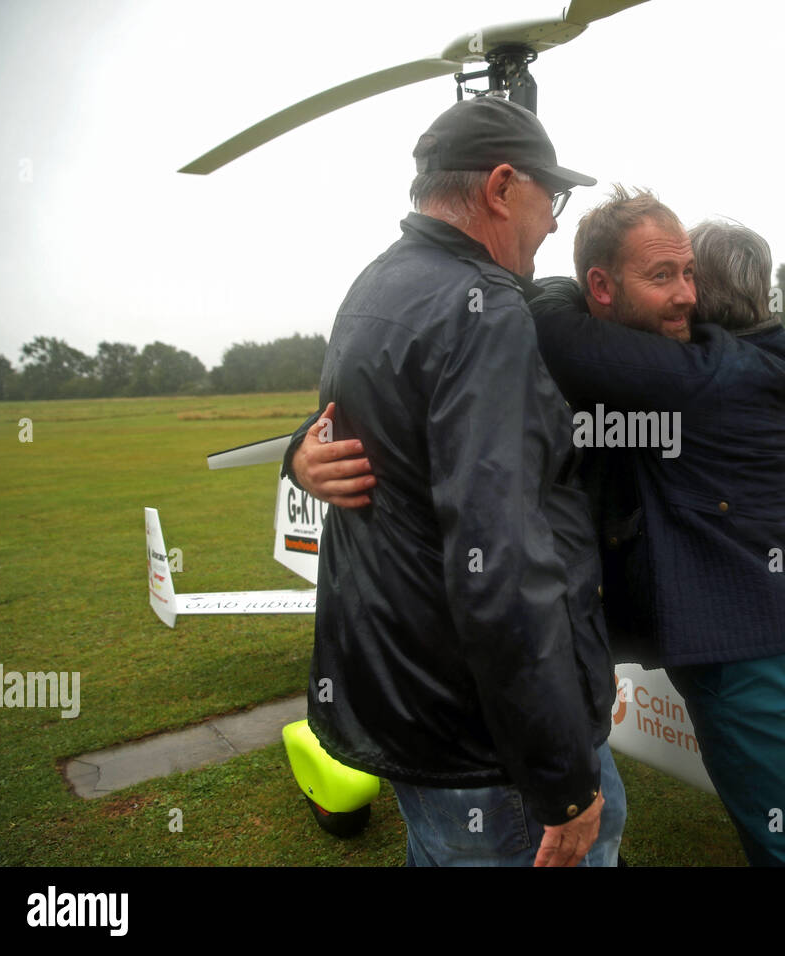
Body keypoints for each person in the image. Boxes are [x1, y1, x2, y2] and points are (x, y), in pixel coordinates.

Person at [292, 190, 785, 865]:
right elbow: (399, 385)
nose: (682, 296)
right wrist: (304, 450)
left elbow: (554, 327)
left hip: (758, 641)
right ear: (602, 288)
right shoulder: (659, 365)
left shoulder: (684, 368)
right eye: (665, 277)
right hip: (689, 640)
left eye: (689, 277)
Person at [298, 95, 624, 867]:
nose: (552, 223)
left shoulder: (379, 283)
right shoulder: (485, 313)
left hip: (408, 710)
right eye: (554, 197)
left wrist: (296, 457)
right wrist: (560, 778)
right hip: (483, 735)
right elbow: (501, 568)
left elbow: (362, 427)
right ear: (503, 186)